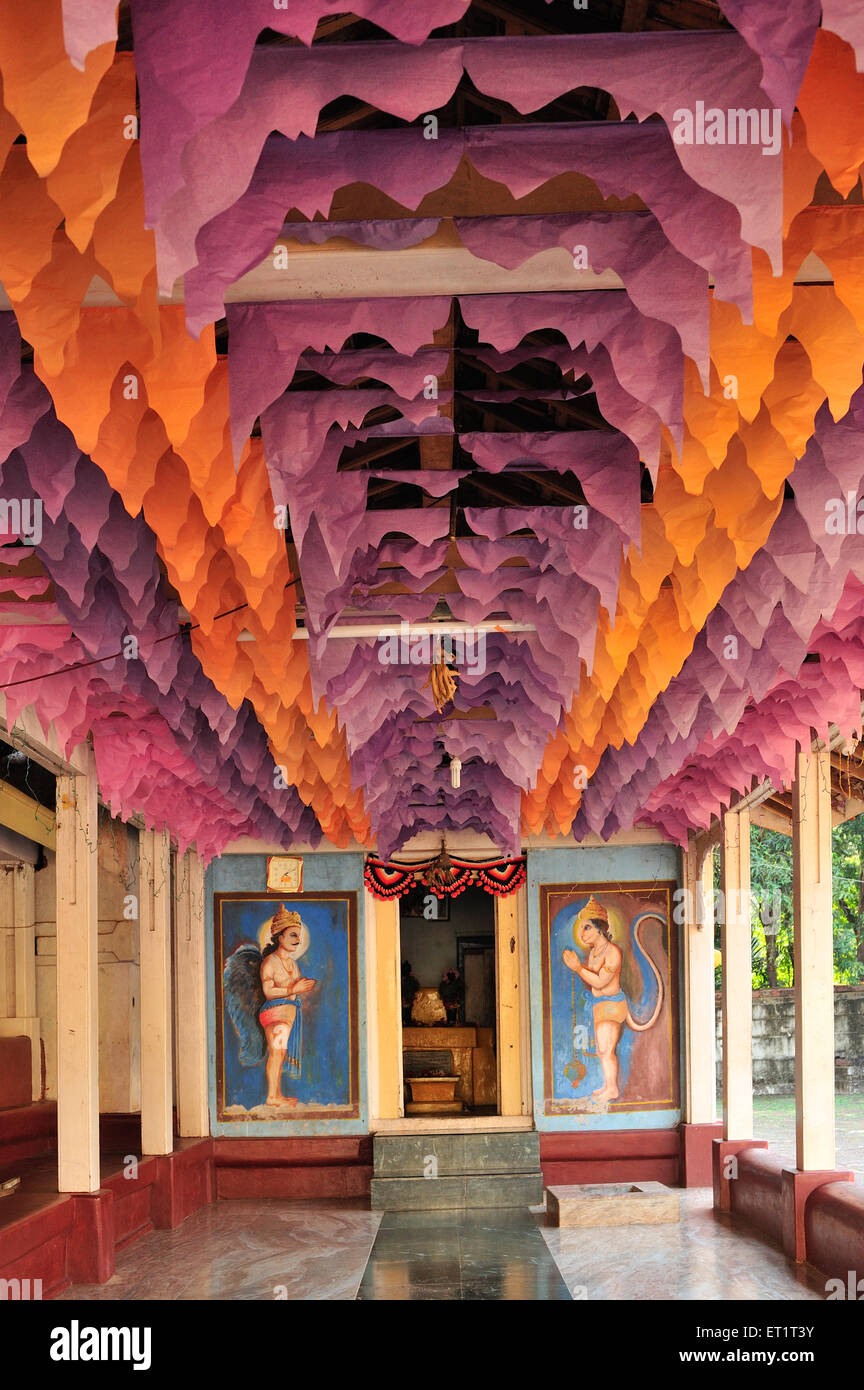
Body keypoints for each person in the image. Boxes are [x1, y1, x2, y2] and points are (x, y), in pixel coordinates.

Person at [563, 897, 627, 1102]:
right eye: (582, 928)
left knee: (606, 1050)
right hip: (599, 1006)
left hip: (611, 1006)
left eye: (587, 927)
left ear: (600, 928)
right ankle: (608, 1086)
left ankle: (613, 1089)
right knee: (602, 1050)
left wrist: (577, 968)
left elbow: (599, 983)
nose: (582, 934)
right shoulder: (594, 952)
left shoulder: (613, 952)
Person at [259, 905, 316, 1107]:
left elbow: (294, 989)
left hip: (288, 1012)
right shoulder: (270, 962)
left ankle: (276, 1094)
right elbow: (268, 992)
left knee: (280, 1052)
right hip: (274, 1012)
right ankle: (271, 1096)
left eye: (298, 936)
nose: (297, 940)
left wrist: (301, 988)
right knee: (276, 1051)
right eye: (292, 935)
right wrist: (294, 989)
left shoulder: (293, 964)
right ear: (279, 937)